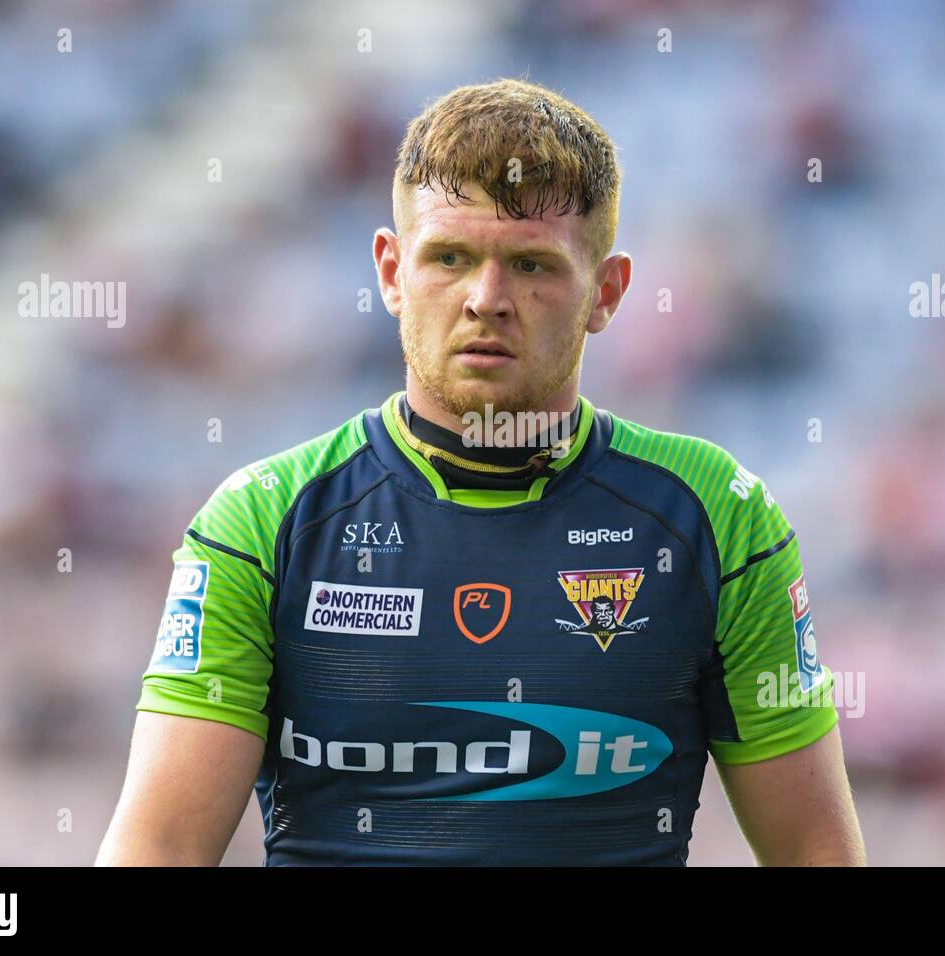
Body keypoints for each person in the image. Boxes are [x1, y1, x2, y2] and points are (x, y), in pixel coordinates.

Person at [96, 78, 865, 866]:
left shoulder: (715, 518)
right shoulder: (267, 521)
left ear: (606, 292)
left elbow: (816, 853)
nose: (487, 298)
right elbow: (159, 848)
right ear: (392, 273)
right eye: (450, 258)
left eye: (532, 265)